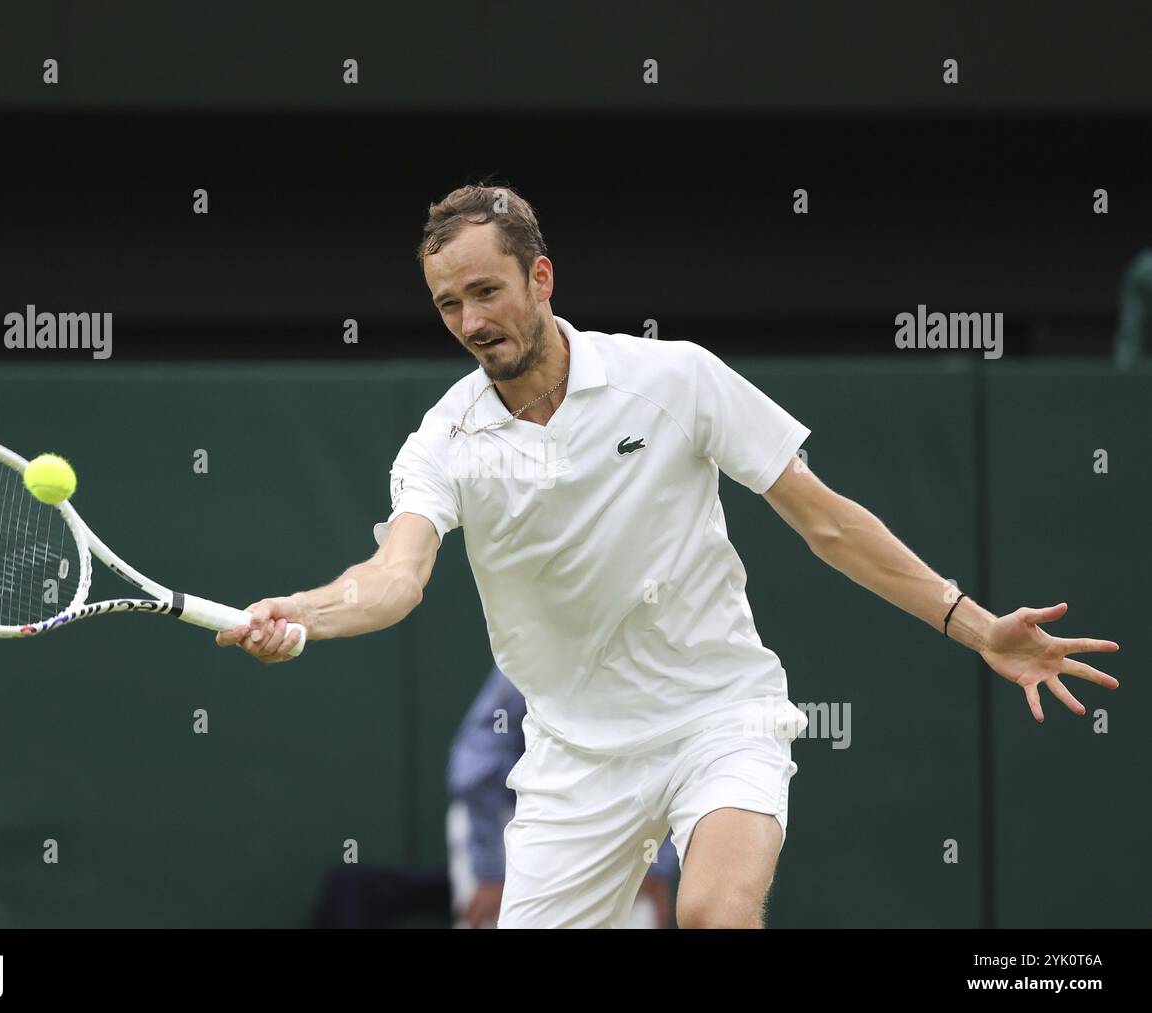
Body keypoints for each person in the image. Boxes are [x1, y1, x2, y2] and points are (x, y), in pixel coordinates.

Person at [216, 182, 1121, 929]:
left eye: (486, 291)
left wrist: (976, 628)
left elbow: (828, 523)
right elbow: (395, 579)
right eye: (449, 303)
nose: (470, 320)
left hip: (717, 716)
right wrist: (305, 611)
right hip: (573, 760)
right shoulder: (442, 442)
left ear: (540, 277)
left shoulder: (676, 378)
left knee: (715, 918)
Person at [447, 665, 677, 929]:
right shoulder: (531, 653)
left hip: (619, 813)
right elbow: (475, 769)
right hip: (500, 818)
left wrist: (656, 863)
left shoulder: (661, 659)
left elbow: (674, 755)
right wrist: (490, 869)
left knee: (637, 914)